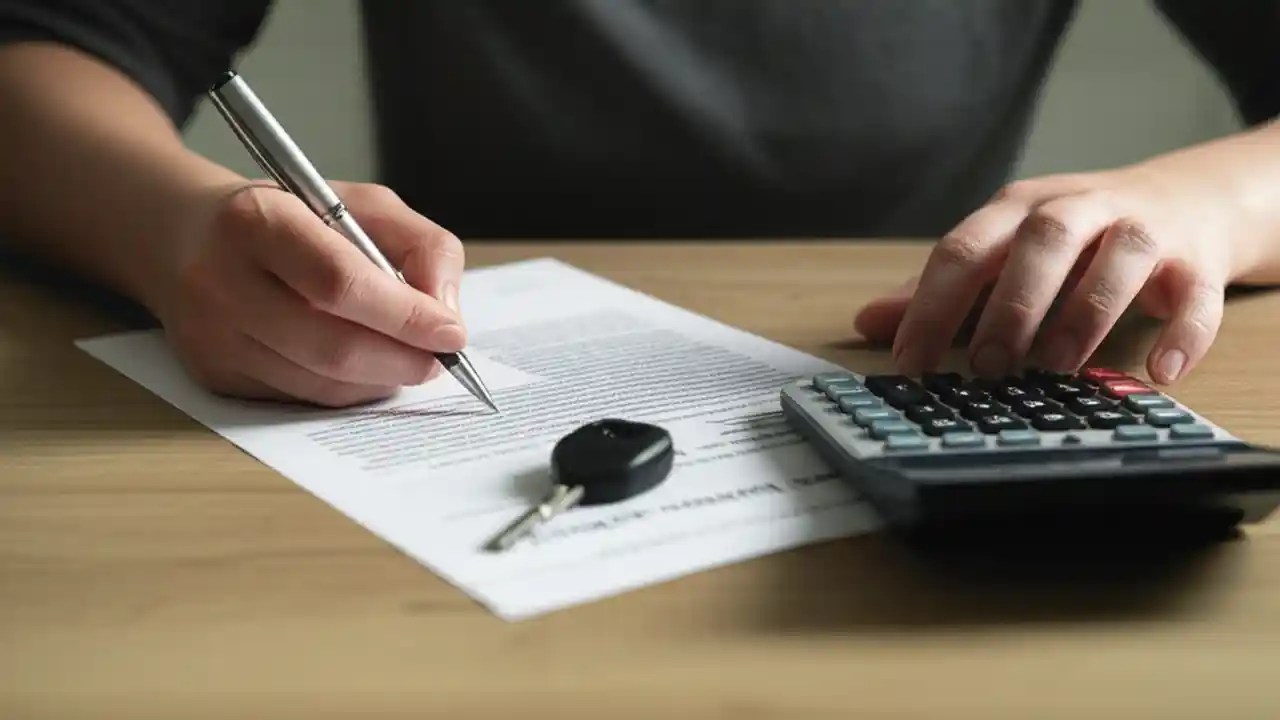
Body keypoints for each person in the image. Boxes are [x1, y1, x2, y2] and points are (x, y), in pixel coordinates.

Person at [1, 1, 1277, 408]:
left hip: (898, 355)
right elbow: (52, 42)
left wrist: (1203, 203)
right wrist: (173, 230)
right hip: (420, 339)